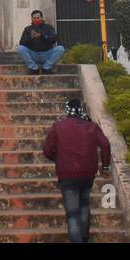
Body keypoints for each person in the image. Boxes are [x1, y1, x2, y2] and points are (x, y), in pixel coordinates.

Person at [42, 98, 111, 243]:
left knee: (72, 214)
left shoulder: (58, 127)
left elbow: (47, 150)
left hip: (67, 176)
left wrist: (58, 159)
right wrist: (105, 167)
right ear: (81, 109)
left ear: (67, 110)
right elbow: (105, 144)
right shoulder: (90, 126)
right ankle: (84, 239)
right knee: (84, 207)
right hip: (87, 174)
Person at [17, 10, 65, 75]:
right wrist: (30, 38)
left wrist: (42, 35)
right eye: (34, 18)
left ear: (41, 18)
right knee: (20, 48)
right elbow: (22, 43)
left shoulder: (49, 27)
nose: (36, 19)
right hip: (33, 55)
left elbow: (53, 39)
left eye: (38, 18)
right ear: (32, 19)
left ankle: (46, 67)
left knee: (60, 49)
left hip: (46, 54)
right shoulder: (27, 29)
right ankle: (33, 68)